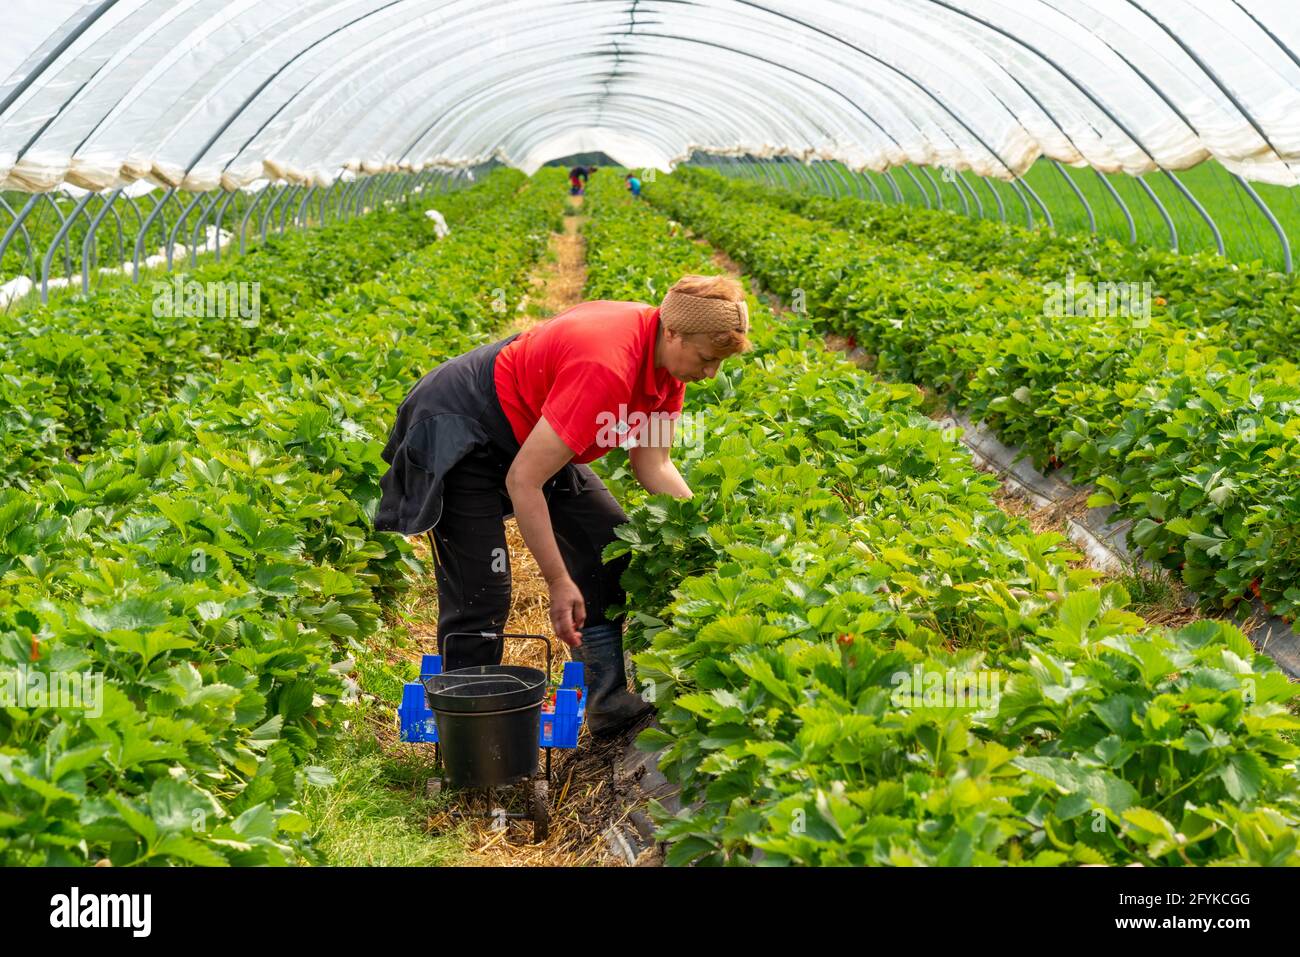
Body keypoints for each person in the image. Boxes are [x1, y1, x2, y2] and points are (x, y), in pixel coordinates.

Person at [374, 276, 752, 738]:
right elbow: (524, 480)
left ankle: (607, 700)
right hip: (464, 427)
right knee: (483, 591)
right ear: (672, 334)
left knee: (608, 541)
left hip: (530, 433)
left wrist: (705, 535)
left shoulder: (667, 369)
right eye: (707, 359)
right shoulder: (606, 366)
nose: (710, 373)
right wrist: (557, 581)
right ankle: (469, 740)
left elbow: (653, 464)